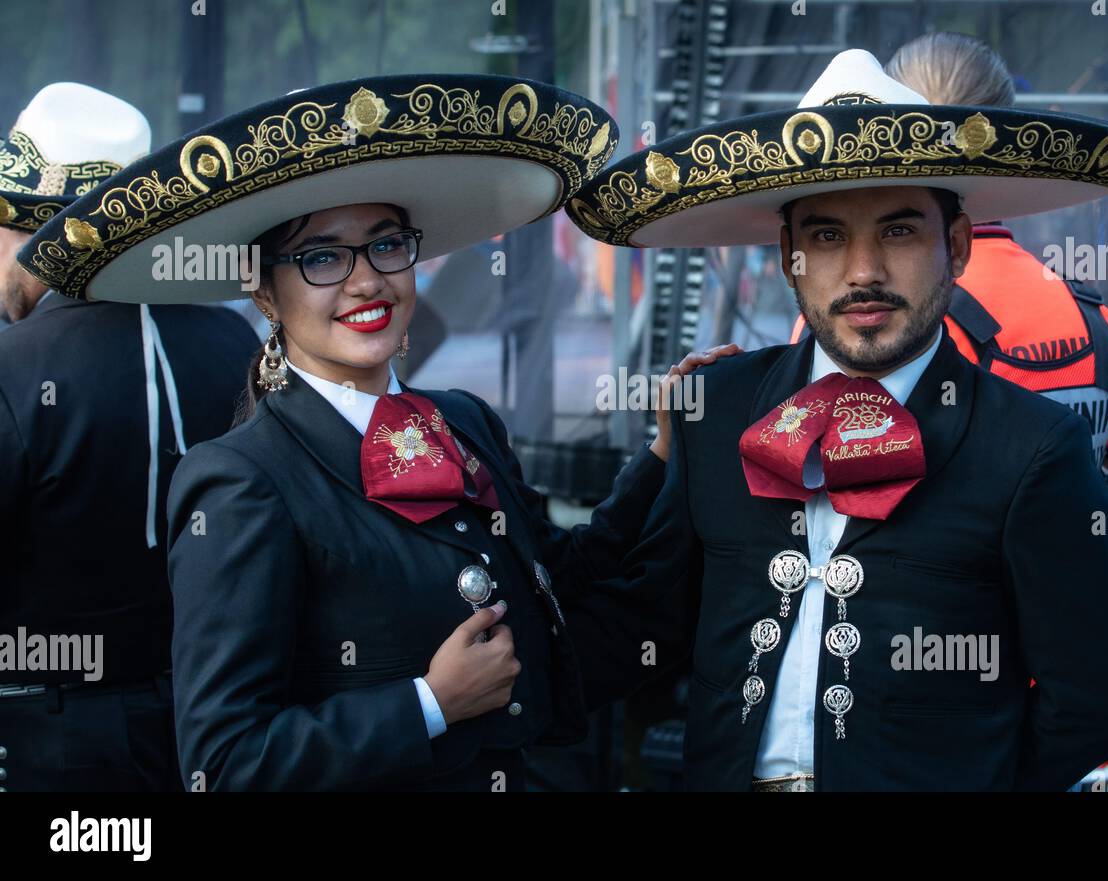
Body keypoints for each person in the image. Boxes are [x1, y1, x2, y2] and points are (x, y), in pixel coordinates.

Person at [18, 73, 736, 791]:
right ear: (265, 291)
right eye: (322, 256)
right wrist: (428, 704)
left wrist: (660, 450)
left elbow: (559, 576)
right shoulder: (242, 479)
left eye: (386, 245)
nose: (366, 281)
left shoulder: (464, 419)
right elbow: (225, 760)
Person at [565, 49, 1108, 790]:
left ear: (956, 245)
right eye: (825, 237)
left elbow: (1095, 702)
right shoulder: (713, 411)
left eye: (899, 231)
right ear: (788, 255)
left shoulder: (1034, 447)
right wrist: (433, 698)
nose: (862, 271)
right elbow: (639, 629)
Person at [0, 83, 258, 791]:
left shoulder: (10, 368)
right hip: (216, 728)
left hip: (47, 745)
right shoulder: (235, 337)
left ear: (34, 231)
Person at [885, 32, 1108, 566]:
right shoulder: (1090, 318)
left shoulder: (862, 317)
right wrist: (1051, 575)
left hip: (898, 645)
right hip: (1052, 642)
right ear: (1005, 134)